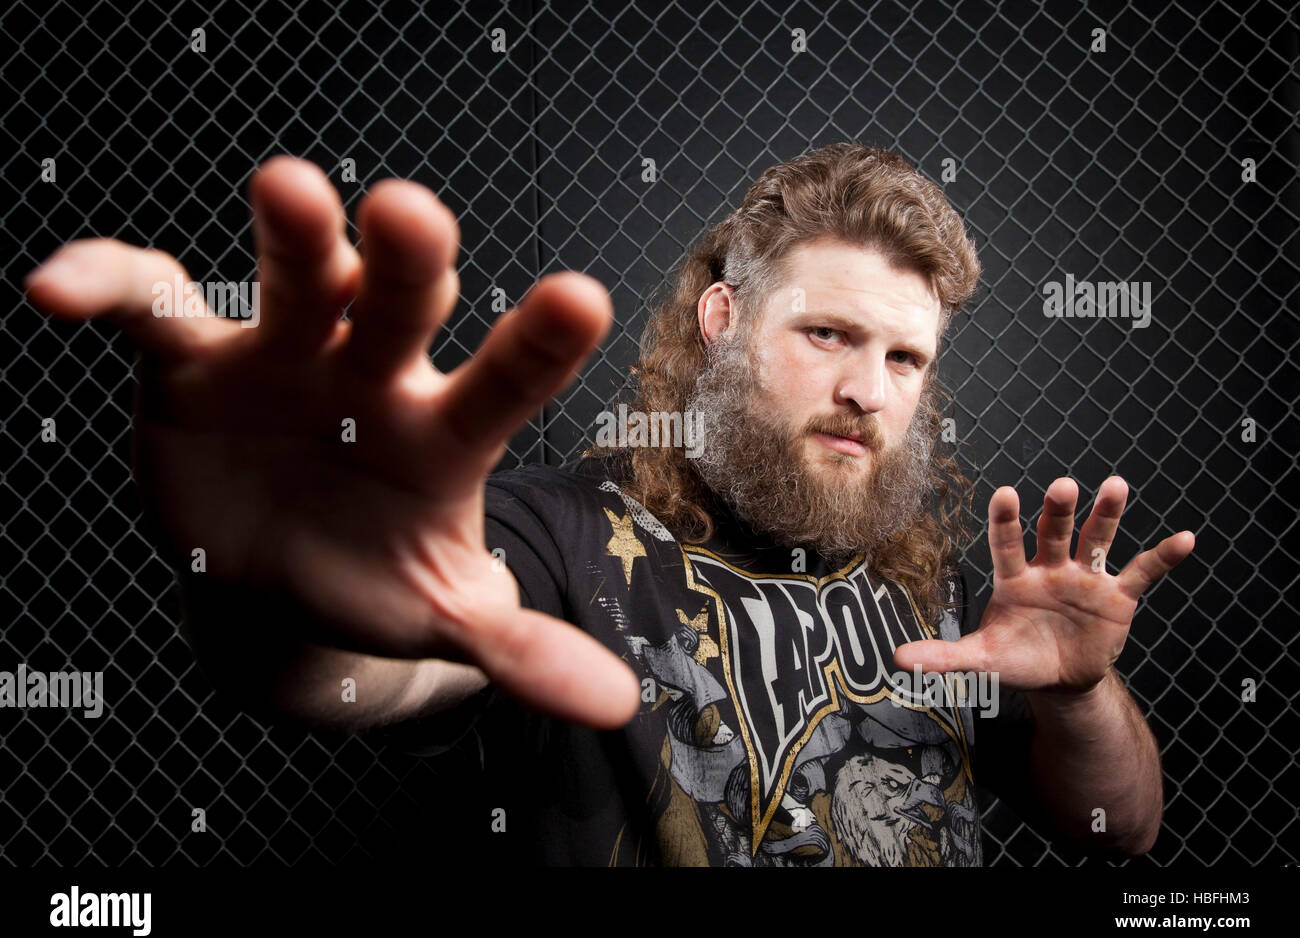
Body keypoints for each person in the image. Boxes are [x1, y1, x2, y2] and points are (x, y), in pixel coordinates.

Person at [23, 142, 1194, 866]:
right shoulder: (557, 532)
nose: (865, 390)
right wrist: (281, 591)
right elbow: (373, 664)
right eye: (829, 333)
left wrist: (1082, 694)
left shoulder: (925, 578)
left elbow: (1124, 828)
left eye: (904, 357)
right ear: (723, 321)